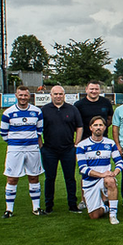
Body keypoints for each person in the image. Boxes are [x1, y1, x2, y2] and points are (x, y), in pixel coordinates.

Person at [0, 86, 46, 218]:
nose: (23, 98)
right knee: (12, 178)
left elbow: (39, 130)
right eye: (20, 95)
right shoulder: (8, 113)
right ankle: (9, 210)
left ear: (29, 96)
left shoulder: (36, 111)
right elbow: (3, 133)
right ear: (16, 95)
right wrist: (16, 142)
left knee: (34, 176)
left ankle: (36, 208)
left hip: (32, 148)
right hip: (15, 149)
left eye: (25, 95)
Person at [40, 85, 83, 213]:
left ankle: (72, 204)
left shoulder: (72, 109)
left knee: (70, 178)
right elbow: (38, 129)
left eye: (60, 94)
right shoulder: (44, 110)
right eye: (55, 94)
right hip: (49, 150)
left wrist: (76, 143)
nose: (58, 96)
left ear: (64, 95)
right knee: (50, 178)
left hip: (68, 149)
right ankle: (49, 205)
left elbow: (79, 126)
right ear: (51, 95)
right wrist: (41, 145)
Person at [75, 116, 122, 224]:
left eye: (101, 125)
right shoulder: (82, 145)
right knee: (94, 215)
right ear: (90, 128)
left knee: (110, 181)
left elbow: (119, 162)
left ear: (105, 127)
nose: (98, 127)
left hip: (105, 179)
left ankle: (113, 215)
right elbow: (83, 168)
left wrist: (114, 173)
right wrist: (102, 174)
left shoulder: (110, 143)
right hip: (90, 181)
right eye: (95, 125)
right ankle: (106, 206)